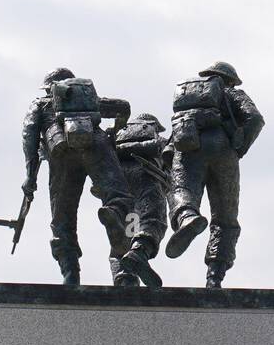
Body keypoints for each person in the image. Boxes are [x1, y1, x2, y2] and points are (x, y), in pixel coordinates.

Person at [21, 69, 134, 286]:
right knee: (121, 198)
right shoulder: (89, 100)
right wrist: (114, 131)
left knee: (62, 218)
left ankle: (70, 274)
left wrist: (30, 175)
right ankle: (117, 230)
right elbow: (124, 107)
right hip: (96, 145)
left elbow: (29, 136)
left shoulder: (40, 103)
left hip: (61, 153)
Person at [165, 61, 265, 288]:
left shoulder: (188, 100)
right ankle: (214, 275)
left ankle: (187, 218)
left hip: (188, 148)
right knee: (225, 217)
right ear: (229, 80)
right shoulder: (233, 93)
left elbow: (173, 139)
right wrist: (239, 147)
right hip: (223, 150)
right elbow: (255, 118)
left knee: (182, 192)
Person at [106, 113, 169, 287]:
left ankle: (125, 274)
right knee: (153, 218)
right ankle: (139, 251)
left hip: (119, 179)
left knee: (129, 224)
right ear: (152, 126)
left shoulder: (118, 137)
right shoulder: (159, 140)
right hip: (145, 174)